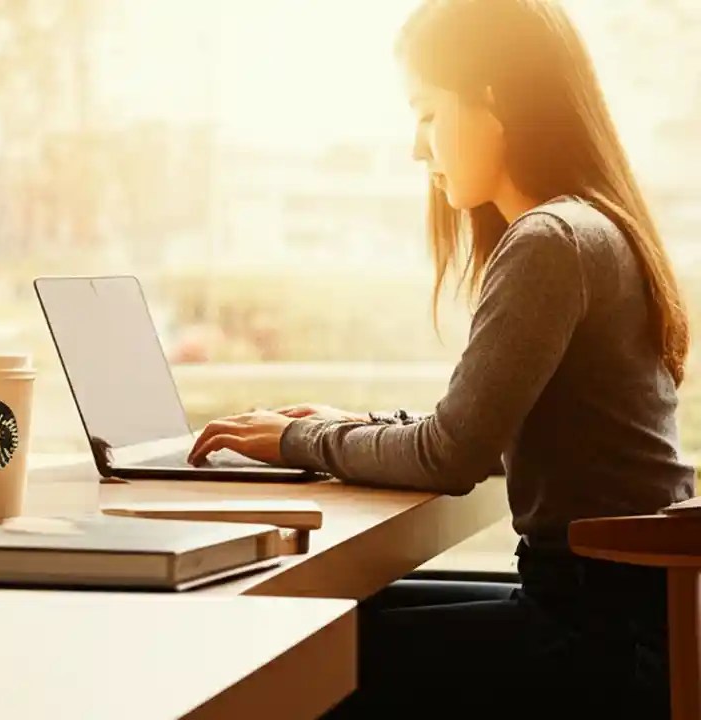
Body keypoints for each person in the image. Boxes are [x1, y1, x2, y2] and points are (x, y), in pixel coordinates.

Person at [187, 1, 696, 717]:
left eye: (426, 113)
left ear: (490, 97)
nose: (418, 149)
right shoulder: (592, 226)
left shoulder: (552, 239)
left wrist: (300, 440)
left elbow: (453, 455)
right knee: (327, 608)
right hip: (627, 613)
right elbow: (475, 429)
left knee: (300, 648)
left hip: (602, 638)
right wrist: (354, 424)